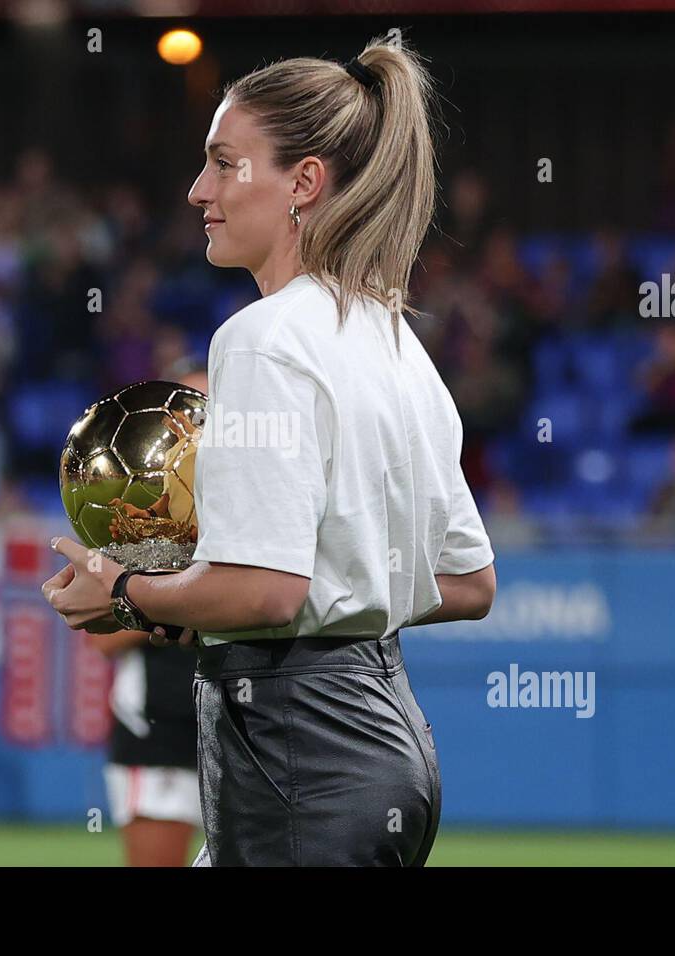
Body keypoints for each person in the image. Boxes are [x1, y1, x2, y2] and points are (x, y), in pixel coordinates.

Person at [42, 36, 496, 867]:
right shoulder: (394, 339)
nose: (198, 191)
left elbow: (268, 590)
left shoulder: (260, 340)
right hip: (385, 750)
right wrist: (319, 593)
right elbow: (468, 582)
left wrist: (130, 593)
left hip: (299, 761)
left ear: (305, 182)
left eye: (224, 165)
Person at [92, 360, 208, 867]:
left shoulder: (265, 519)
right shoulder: (137, 526)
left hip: (253, 722)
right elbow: (103, 639)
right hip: (159, 727)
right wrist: (177, 594)